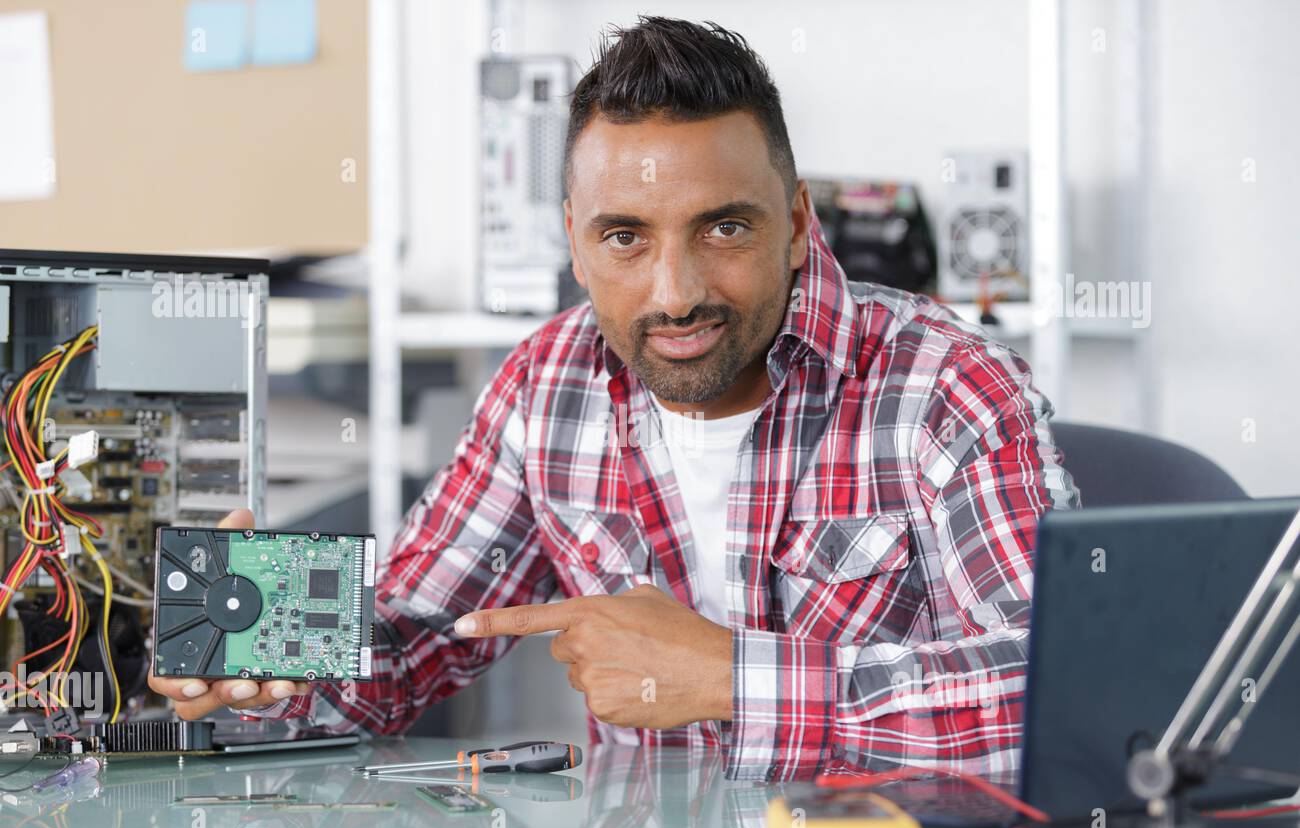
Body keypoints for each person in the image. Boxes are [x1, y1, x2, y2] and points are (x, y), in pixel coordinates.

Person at [150, 16, 1078, 780]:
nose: (675, 293)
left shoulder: (950, 385)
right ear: (573, 237)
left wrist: (731, 678)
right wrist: (257, 669)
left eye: (723, 228)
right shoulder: (545, 386)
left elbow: (1069, 690)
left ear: (797, 224)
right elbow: (399, 647)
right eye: (625, 236)